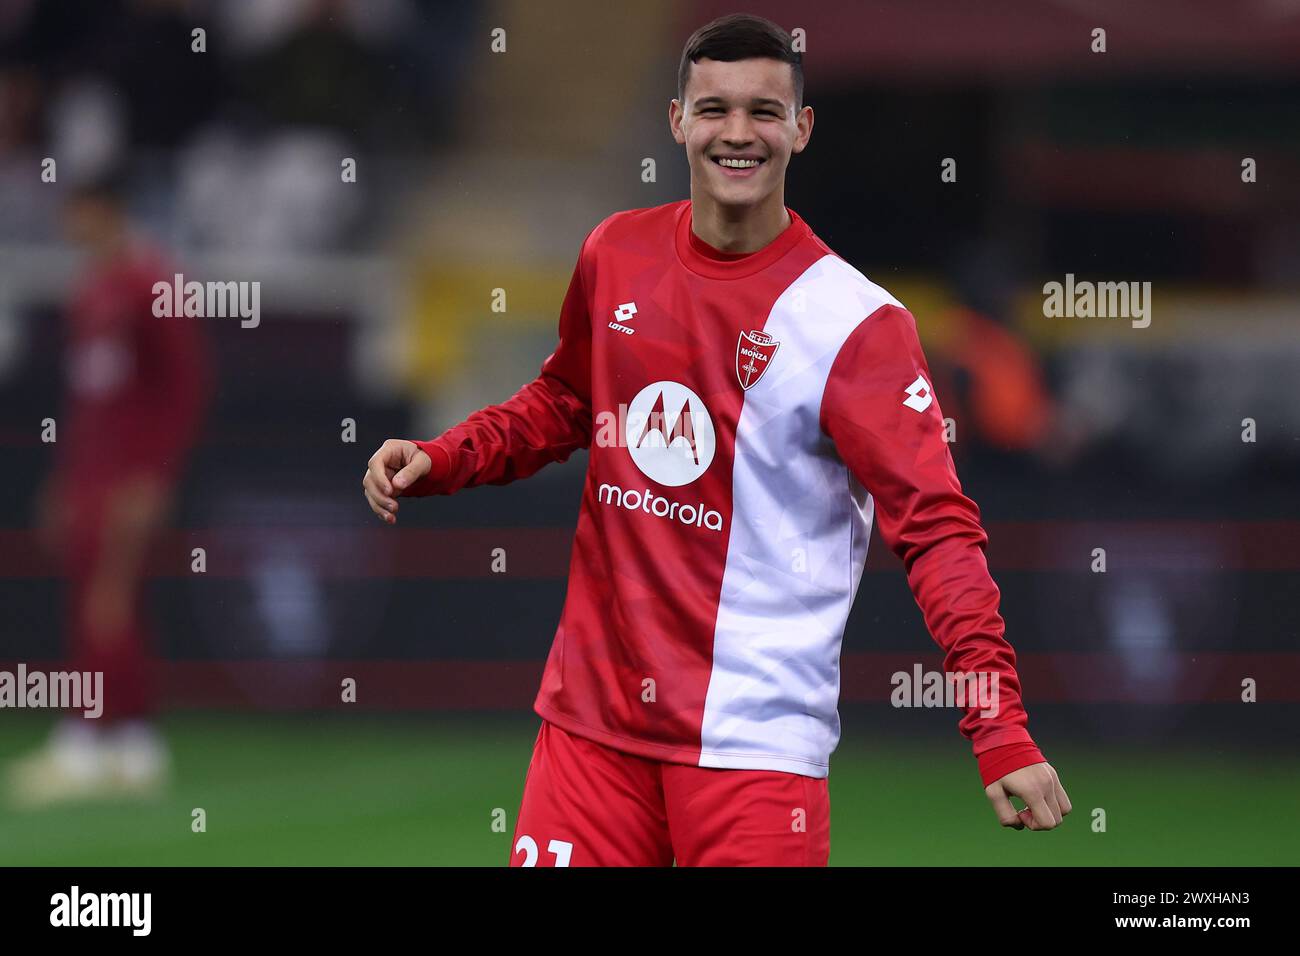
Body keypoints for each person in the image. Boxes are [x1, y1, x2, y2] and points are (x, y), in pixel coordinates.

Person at [362, 13, 1070, 866]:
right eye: (716, 109)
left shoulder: (857, 326)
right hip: (592, 729)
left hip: (753, 750)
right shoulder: (615, 253)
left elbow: (938, 532)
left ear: (801, 130)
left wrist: (999, 728)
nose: (739, 134)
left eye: (765, 112)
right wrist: (443, 459)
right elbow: (565, 401)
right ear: (677, 120)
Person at [10, 170, 212, 807]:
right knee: (95, 604)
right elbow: (88, 401)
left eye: (80, 212)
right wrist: (67, 477)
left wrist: (154, 477)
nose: (70, 226)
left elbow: (185, 390)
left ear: (107, 211)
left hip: (129, 479)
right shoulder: (90, 291)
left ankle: (86, 741)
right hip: (91, 477)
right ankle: (132, 744)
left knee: (108, 600)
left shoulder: (153, 285)